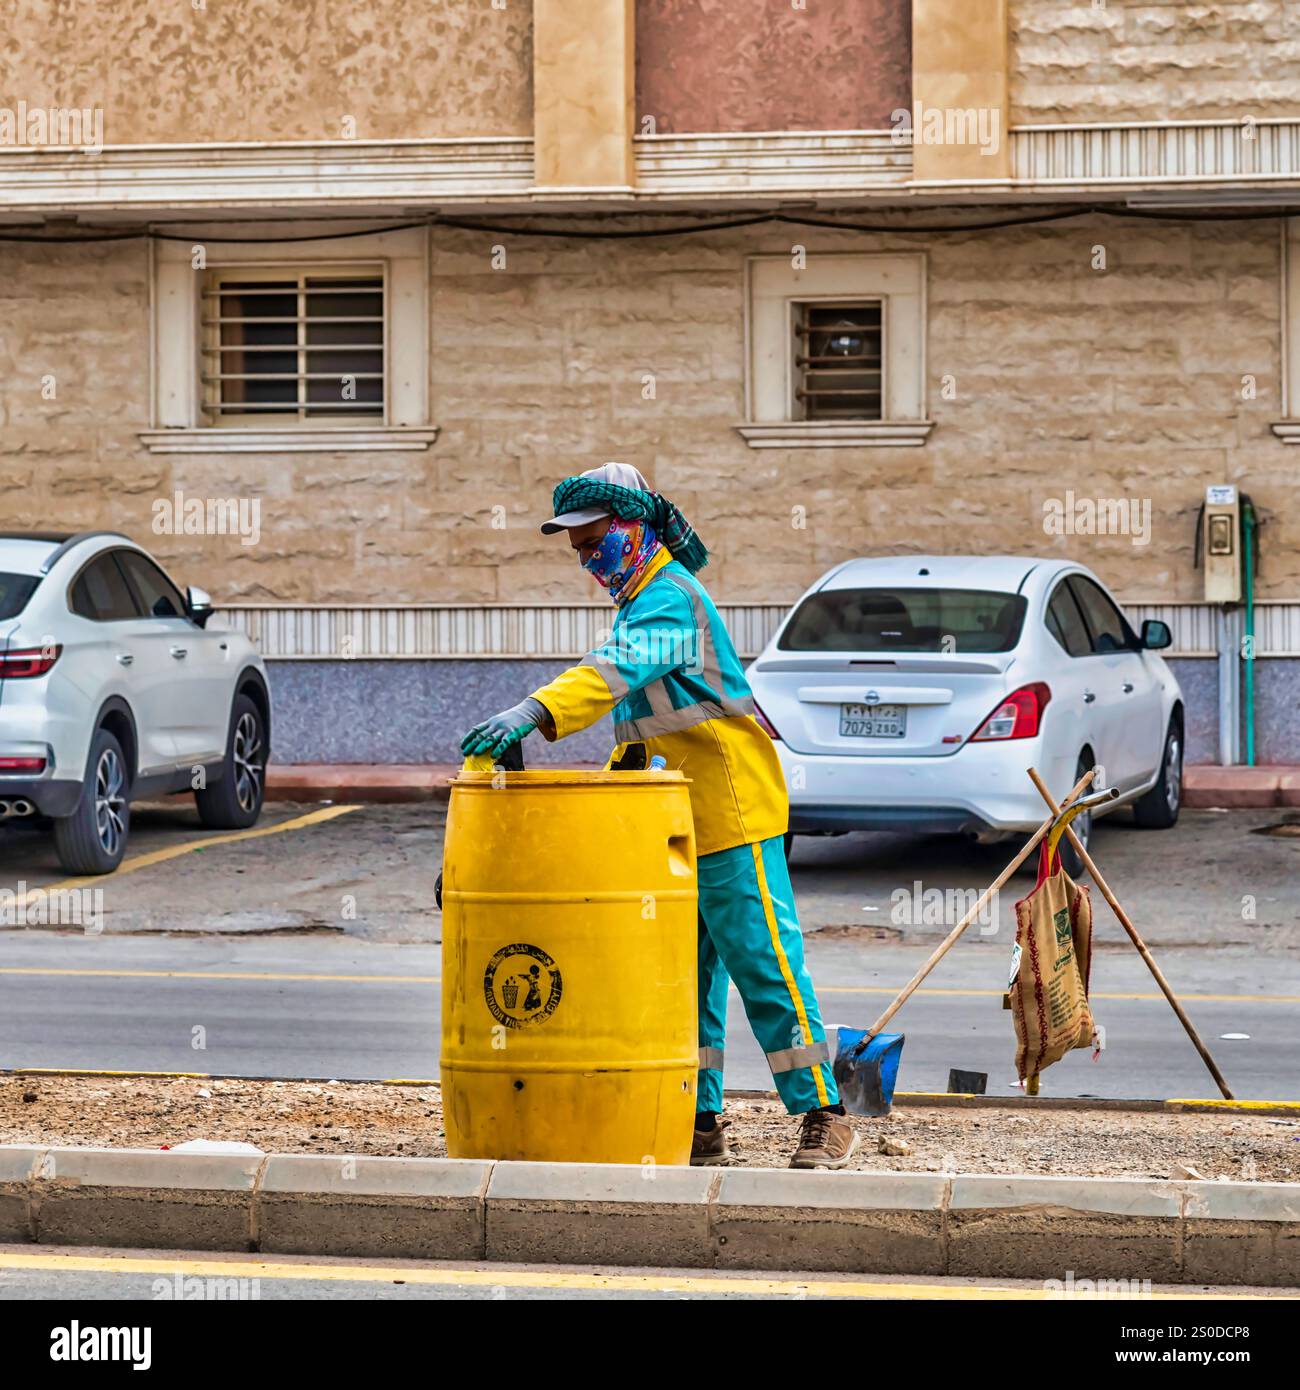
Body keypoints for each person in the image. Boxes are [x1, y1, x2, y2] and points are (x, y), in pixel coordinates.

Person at [460, 462, 857, 1169]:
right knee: (686, 985)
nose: (586, 560)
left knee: (766, 966)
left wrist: (535, 711)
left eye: (592, 542)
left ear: (633, 529)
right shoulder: (642, 603)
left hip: (730, 815)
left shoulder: (670, 600)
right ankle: (699, 1120)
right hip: (670, 826)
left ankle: (825, 1114)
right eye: (576, 550)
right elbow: (646, 734)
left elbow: (616, 668)